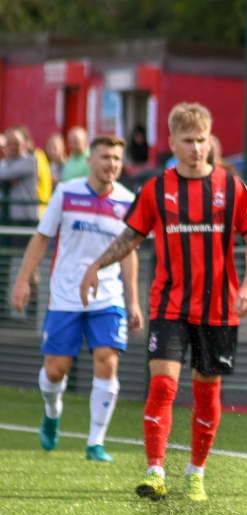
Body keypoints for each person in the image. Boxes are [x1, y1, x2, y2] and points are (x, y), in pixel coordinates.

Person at [79, 102, 247, 502]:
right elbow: (131, 236)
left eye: (202, 140)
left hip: (219, 308)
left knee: (206, 392)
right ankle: (155, 471)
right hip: (169, 306)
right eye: (188, 141)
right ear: (172, 142)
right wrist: (97, 264)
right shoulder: (157, 189)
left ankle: (196, 471)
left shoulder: (231, 187)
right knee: (163, 386)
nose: (197, 148)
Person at [10, 136, 140, 462]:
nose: (112, 164)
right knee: (55, 370)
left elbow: (128, 254)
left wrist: (134, 301)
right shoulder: (66, 192)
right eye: (105, 157)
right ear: (90, 161)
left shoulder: (127, 200)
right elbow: (41, 239)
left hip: (108, 296)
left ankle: (96, 442)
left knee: (107, 362)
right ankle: (53, 413)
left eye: (116, 158)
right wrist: (23, 280)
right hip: (65, 296)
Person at [0, 128, 40, 222]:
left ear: (24, 144)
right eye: (10, 144)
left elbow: (6, 174)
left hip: (24, 219)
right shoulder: (4, 163)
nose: (14, 147)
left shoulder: (30, 162)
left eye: (17, 143)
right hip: (5, 218)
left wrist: (6, 177)